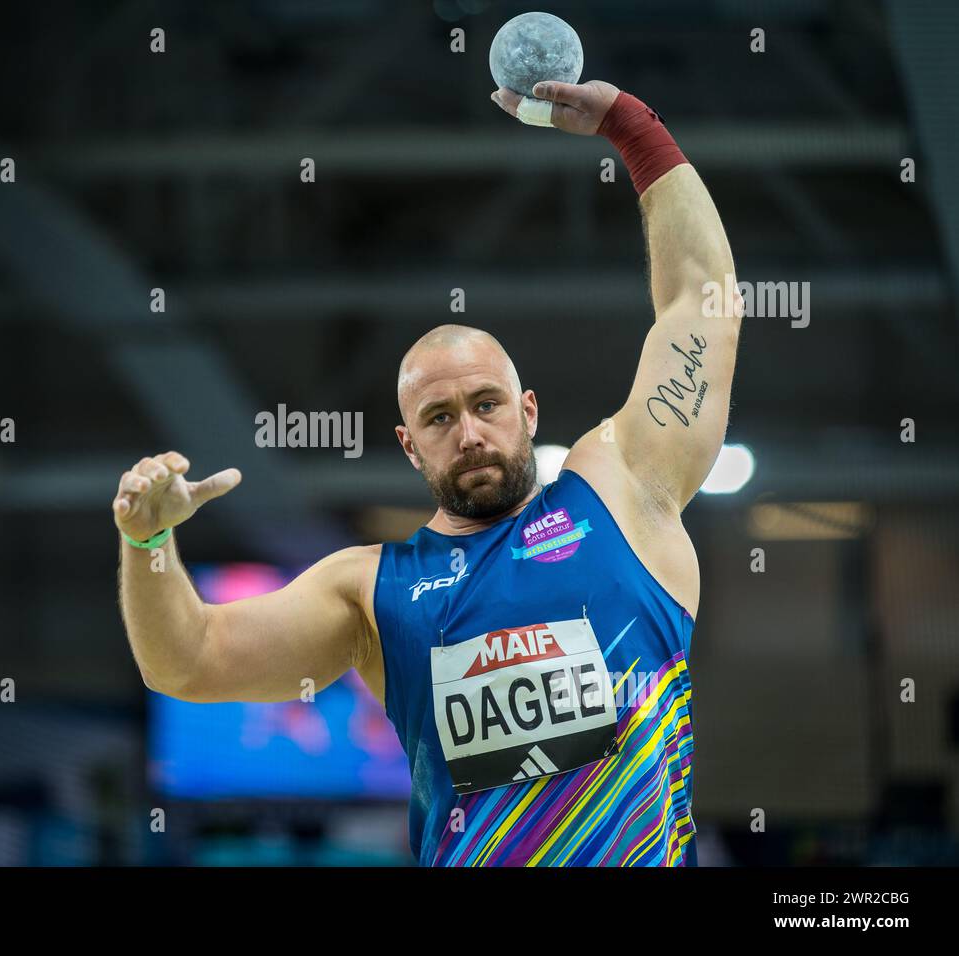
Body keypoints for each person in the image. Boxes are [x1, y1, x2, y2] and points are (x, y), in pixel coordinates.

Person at [114, 79, 742, 866]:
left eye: (487, 404)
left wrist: (630, 125)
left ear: (530, 411)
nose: (470, 433)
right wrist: (148, 544)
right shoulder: (369, 589)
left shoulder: (622, 490)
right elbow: (188, 661)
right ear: (410, 446)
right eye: (440, 419)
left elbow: (702, 302)